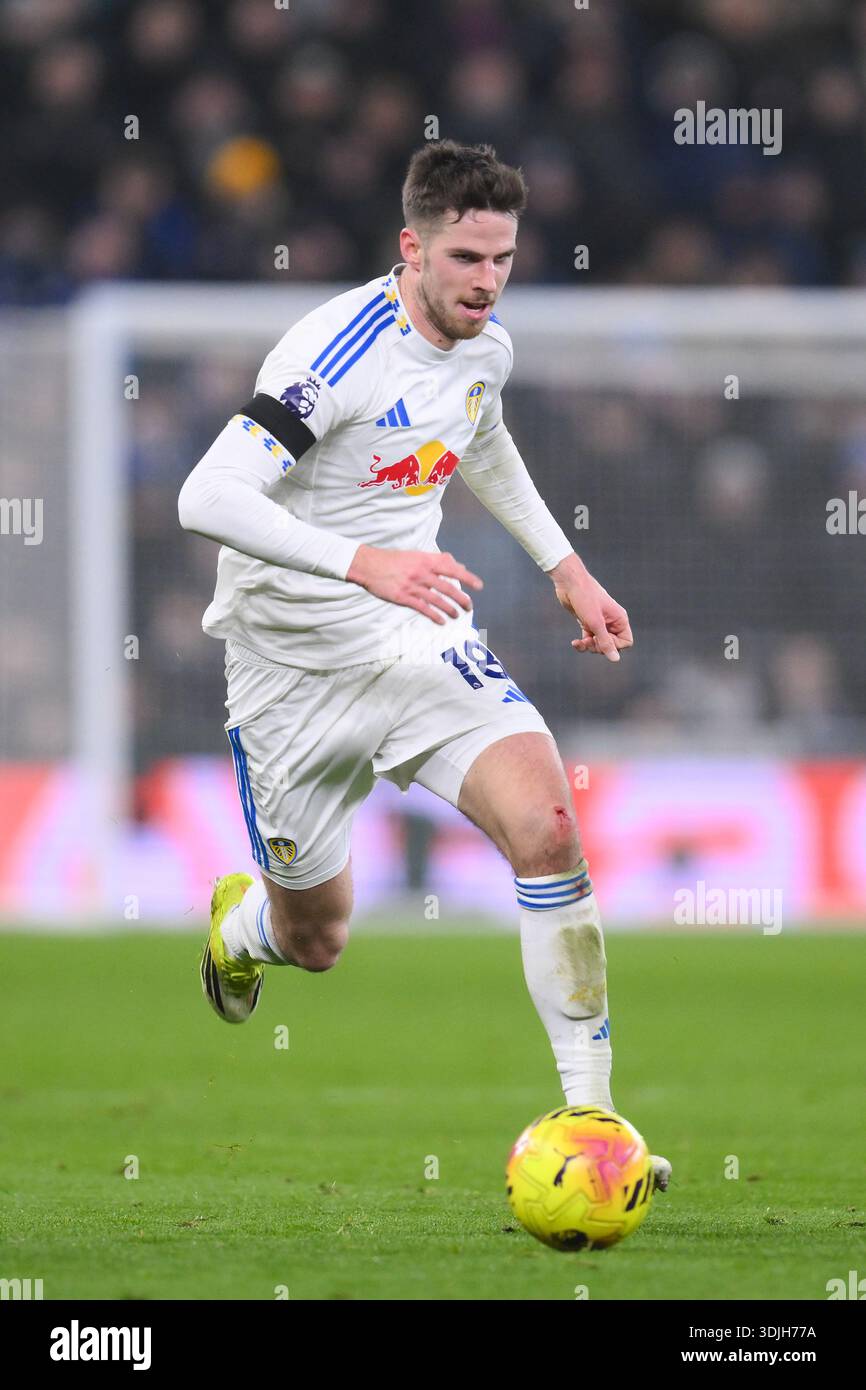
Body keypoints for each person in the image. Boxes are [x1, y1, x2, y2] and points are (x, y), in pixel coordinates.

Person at [178, 139, 670, 1192]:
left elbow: (477, 435)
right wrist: (366, 563)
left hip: (418, 638)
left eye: (501, 257)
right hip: (291, 669)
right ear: (412, 248)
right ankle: (241, 925)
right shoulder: (334, 353)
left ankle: (591, 1120)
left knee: (548, 827)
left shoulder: (483, 346)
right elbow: (206, 497)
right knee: (318, 940)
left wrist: (564, 566)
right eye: (464, 259)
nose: (486, 281)